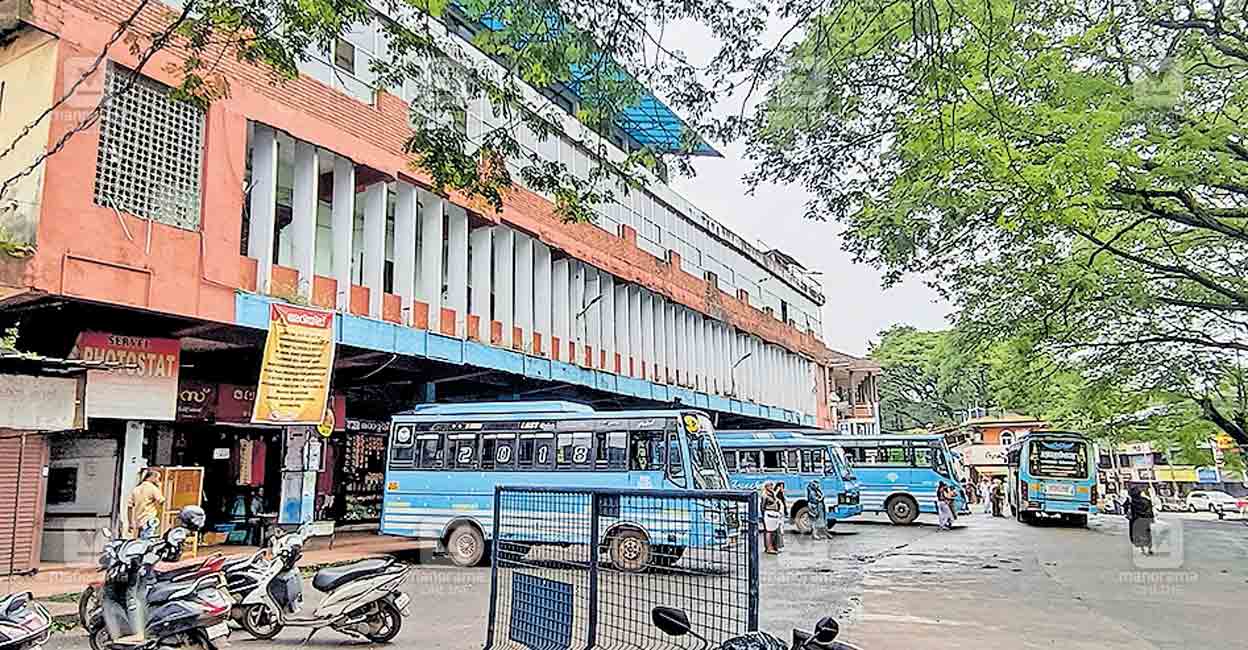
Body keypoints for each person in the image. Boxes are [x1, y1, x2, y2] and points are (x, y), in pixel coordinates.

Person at [128, 468, 165, 539]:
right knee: (148, 543)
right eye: (158, 478)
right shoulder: (153, 488)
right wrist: (160, 487)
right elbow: (161, 501)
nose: (158, 480)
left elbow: (129, 507)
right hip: (149, 519)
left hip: (138, 521)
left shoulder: (136, 489)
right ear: (152, 477)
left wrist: (130, 522)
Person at [1124, 486, 1155, 555]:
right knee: (1147, 534)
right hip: (1145, 520)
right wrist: (1151, 519)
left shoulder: (1130, 501)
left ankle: (1142, 549)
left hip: (1135, 521)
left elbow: (1125, 508)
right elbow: (1150, 511)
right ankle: (1149, 548)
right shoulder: (1146, 500)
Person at [761, 483, 783, 555]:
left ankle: (773, 547)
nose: (771, 487)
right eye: (769, 486)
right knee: (769, 531)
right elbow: (762, 506)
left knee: (774, 531)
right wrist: (764, 515)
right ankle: (769, 548)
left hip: (774, 514)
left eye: (772, 485)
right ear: (766, 487)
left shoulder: (773, 494)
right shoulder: (765, 495)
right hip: (769, 514)